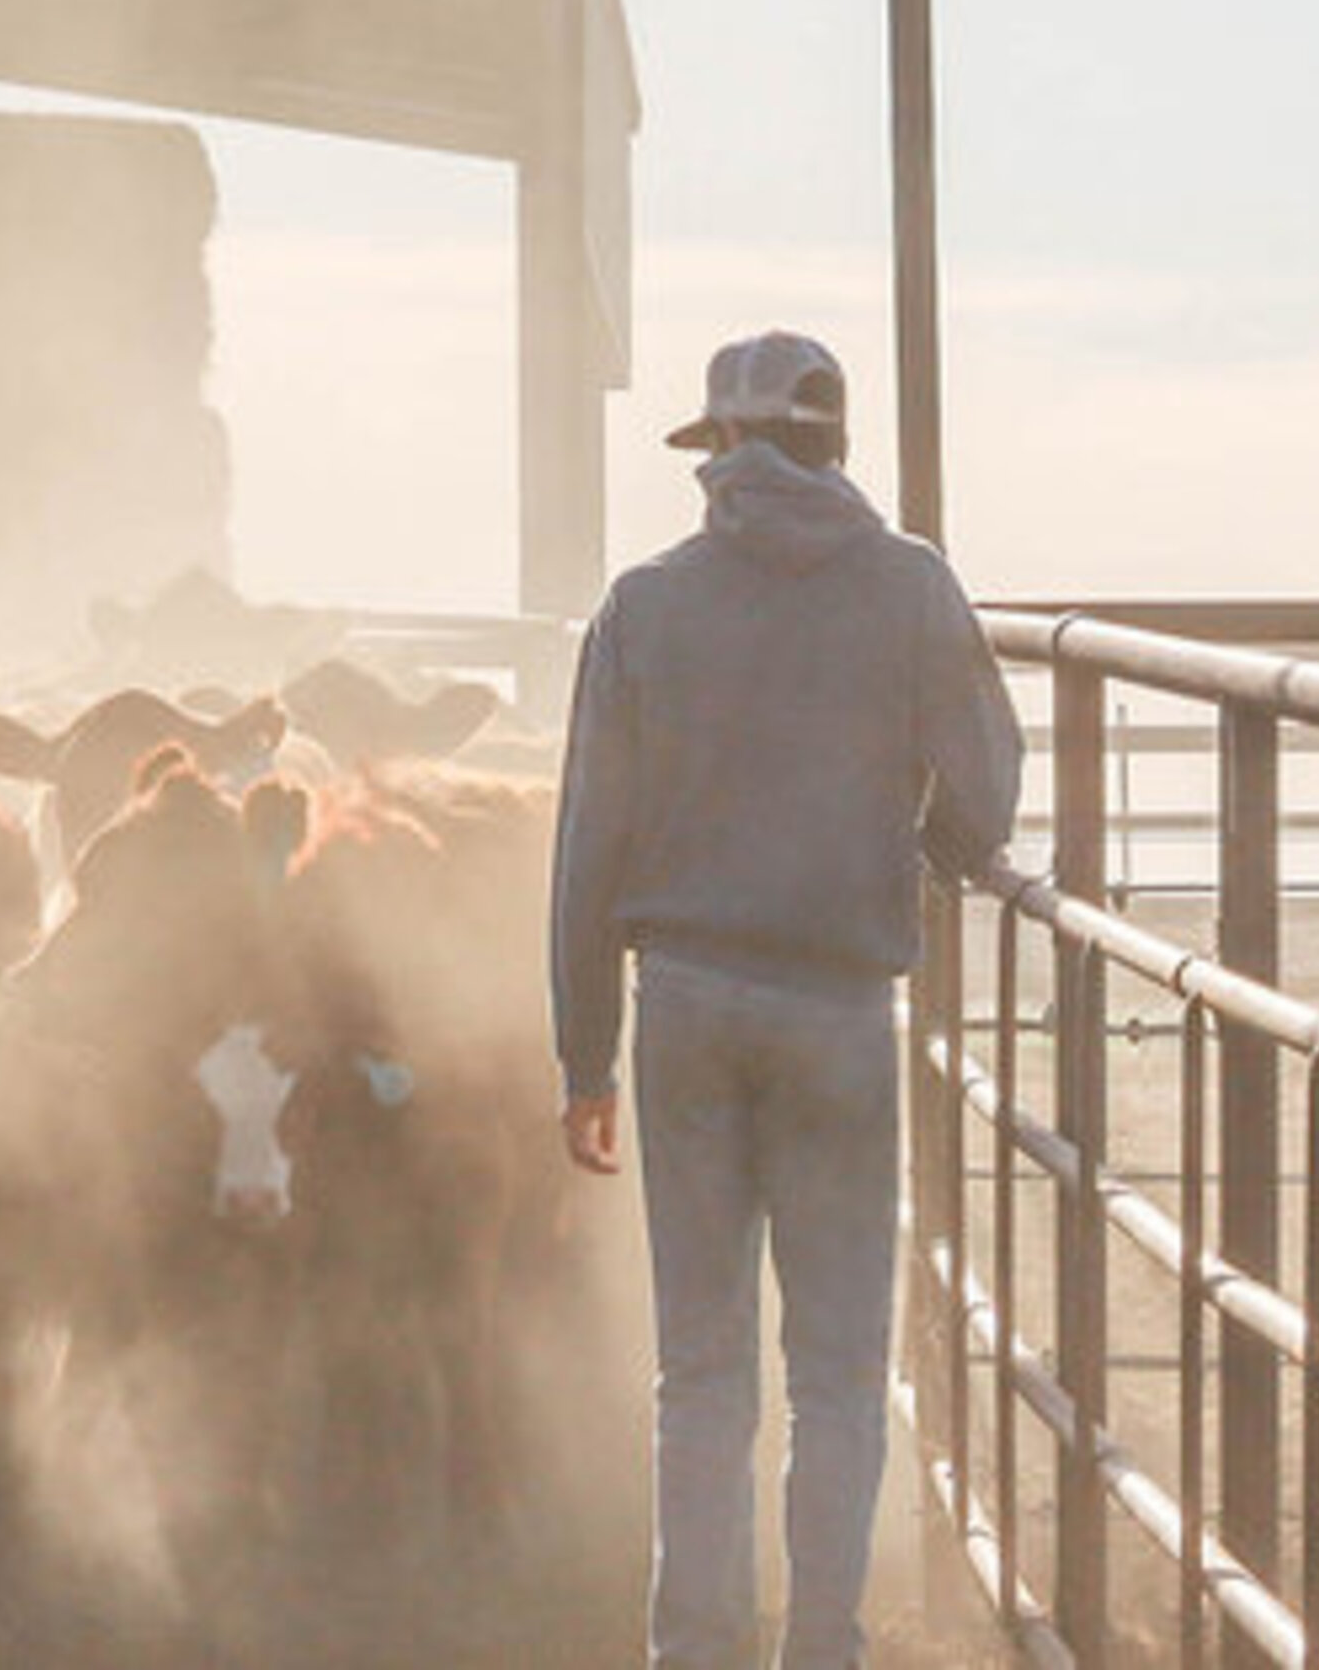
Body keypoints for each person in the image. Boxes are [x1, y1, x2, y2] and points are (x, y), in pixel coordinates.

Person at [547, 329, 1022, 1669]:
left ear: (720, 452)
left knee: (701, 1372)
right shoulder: (912, 588)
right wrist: (932, 848)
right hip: (840, 1007)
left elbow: (588, 849)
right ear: (836, 444)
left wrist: (585, 1056)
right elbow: (985, 790)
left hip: (686, 1005)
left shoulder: (645, 606)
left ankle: (693, 1651)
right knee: (838, 1372)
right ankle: (824, 1647)